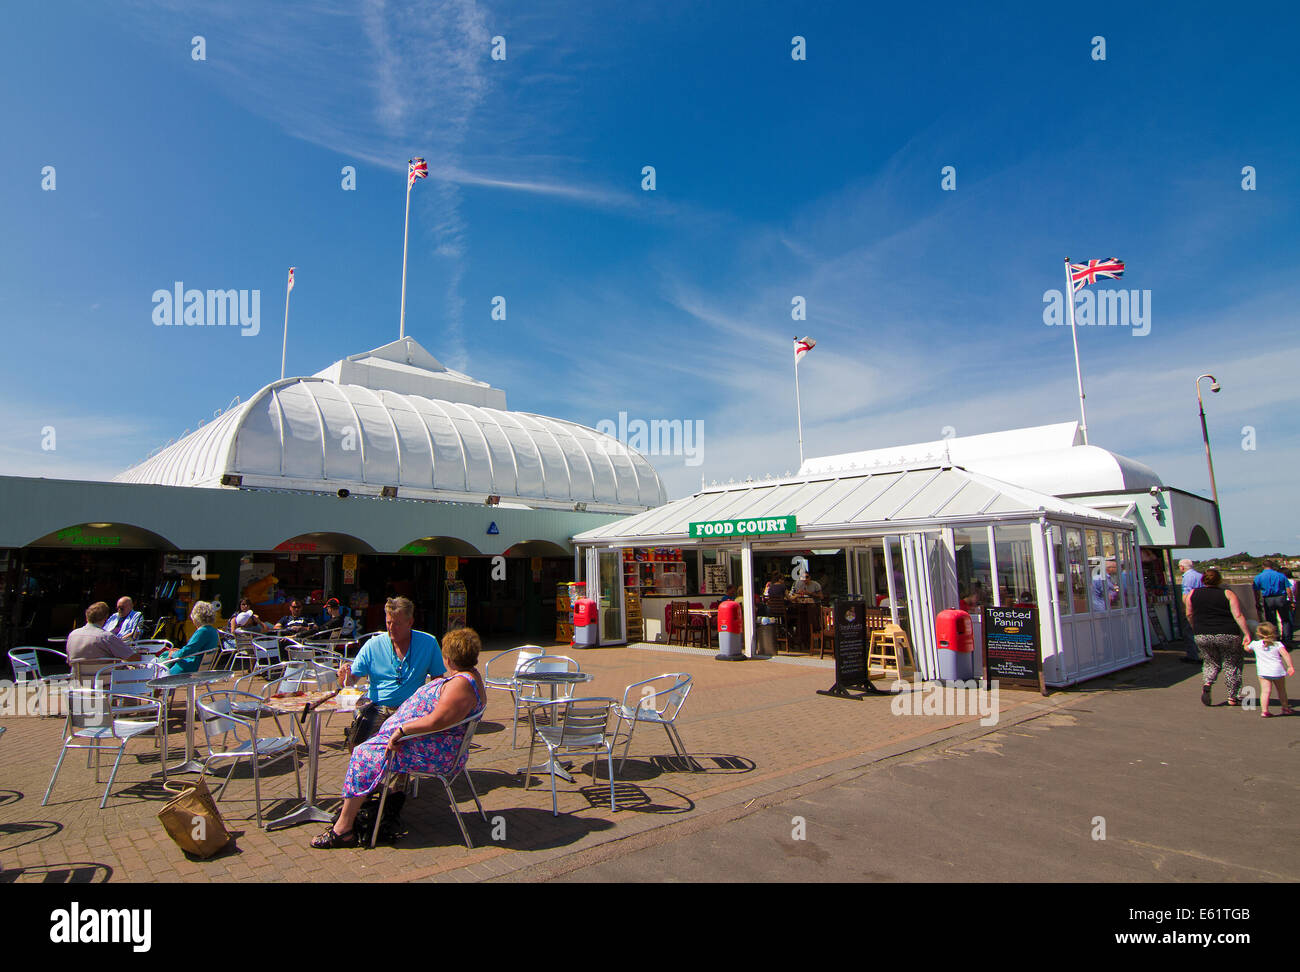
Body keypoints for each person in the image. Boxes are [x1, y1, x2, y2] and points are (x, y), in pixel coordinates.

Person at [311, 626, 486, 849]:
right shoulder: (469, 677)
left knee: (362, 754)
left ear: (449, 658)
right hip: (435, 744)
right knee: (365, 745)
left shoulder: (461, 684)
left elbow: (437, 721)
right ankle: (368, 798)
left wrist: (402, 731)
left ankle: (343, 829)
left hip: (438, 754)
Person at [337, 596, 445, 747]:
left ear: (410, 622)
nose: (391, 628)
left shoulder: (429, 643)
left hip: (411, 709)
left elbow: (437, 683)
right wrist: (344, 677)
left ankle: (400, 769)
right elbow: (350, 681)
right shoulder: (373, 645)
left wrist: (432, 710)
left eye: (397, 624)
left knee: (405, 746)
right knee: (358, 745)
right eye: (389, 623)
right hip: (377, 707)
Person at [1186, 568, 1252, 707]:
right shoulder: (1227, 593)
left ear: (1203, 580)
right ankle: (1232, 696)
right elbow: (1238, 615)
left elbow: (1189, 614)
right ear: (1219, 580)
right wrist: (1246, 633)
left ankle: (1208, 682)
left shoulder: (1192, 593)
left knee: (1210, 662)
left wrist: (1195, 627)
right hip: (1227, 632)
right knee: (1232, 664)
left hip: (1202, 633)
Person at [67, 601, 139, 681]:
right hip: (106, 684)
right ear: (105, 618)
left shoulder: (72, 635)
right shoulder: (106, 637)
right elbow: (134, 658)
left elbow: (69, 660)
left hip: (80, 683)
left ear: (87, 617)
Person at [1244, 622, 1293, 718]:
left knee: (1265, 691)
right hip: (1277, 671)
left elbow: (1247, 649)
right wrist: (1290, 666)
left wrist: (1245, 643)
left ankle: (1265, 711)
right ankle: (1285, 708)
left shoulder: (1255, 644)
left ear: (1258, 634)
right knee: (1281, 690)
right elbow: (1285, 654)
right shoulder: (1278, 644)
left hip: (1263, 672)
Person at [158, 601, 222, 675]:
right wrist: (179, 651)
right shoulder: (213, 631)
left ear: (196, 617)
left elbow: (187, 651)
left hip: (189, 667)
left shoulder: (202, 631)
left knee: (157, 670)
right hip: (201, 667)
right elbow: (192, 649)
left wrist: (173, 654)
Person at [1253, 561, 1293, 644]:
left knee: (1271, 620)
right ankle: (1287, 640)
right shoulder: (1281, 576)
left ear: (1263, 566)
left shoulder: (1259, 577)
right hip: (1281, 598)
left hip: (1268, 599)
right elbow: (1288, 590)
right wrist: (1291, 601)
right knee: (1285, 620)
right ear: (1272, 566)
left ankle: (1275, 639)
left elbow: (1256, 592)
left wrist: (1257, 602)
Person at [1178, 559, 1204, 663]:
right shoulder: (1200, 576)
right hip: (1202, 605)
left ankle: (1193, 656)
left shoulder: (1187, 578)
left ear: (1182, 567)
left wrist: (1185, 607)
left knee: (1189, 631)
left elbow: (1186, 594)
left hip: (1192, 607)